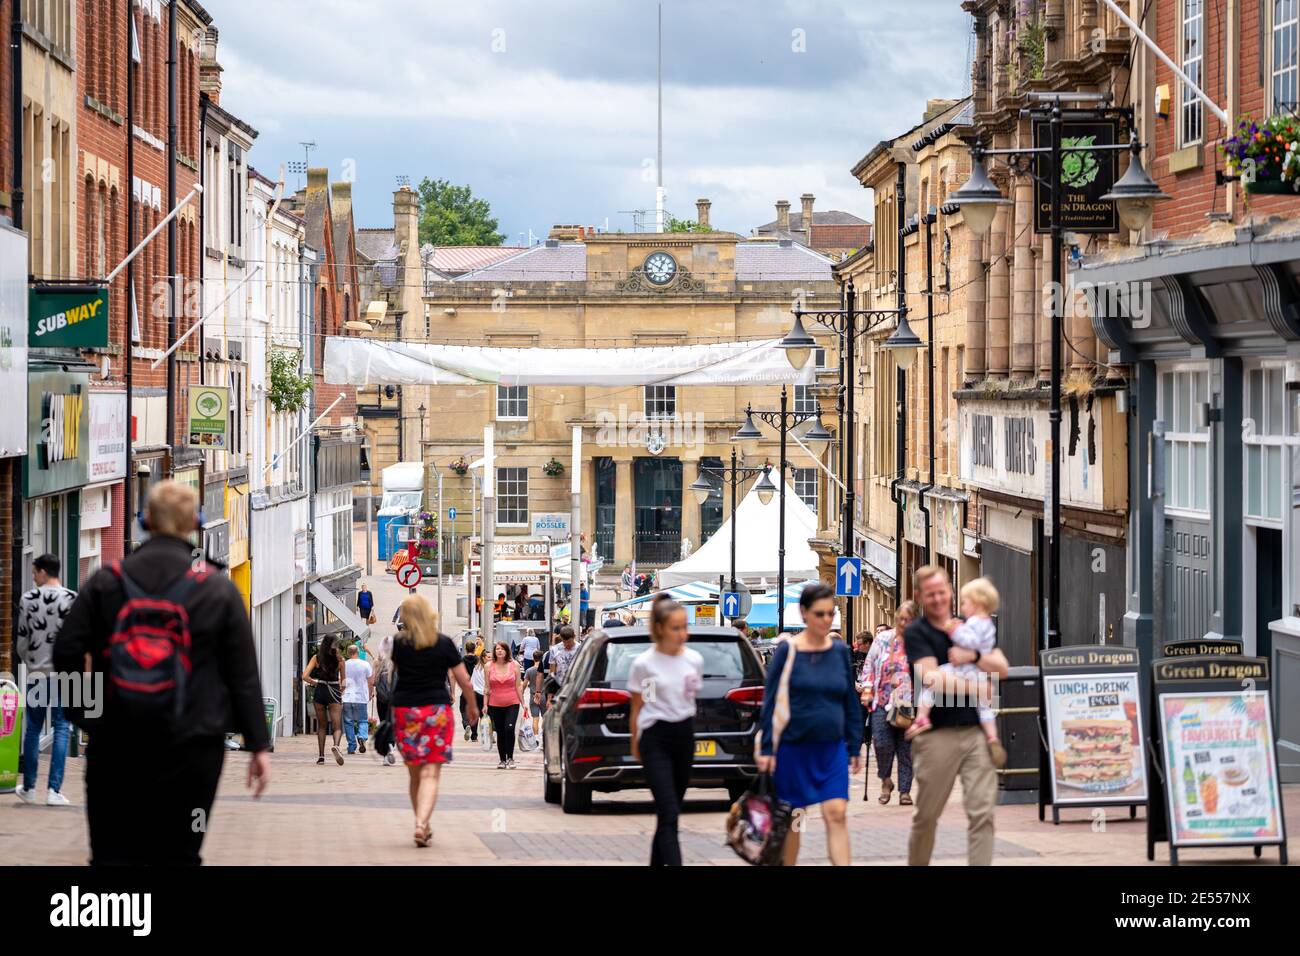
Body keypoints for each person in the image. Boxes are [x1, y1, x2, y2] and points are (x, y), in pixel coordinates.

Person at [53, 480, 270, 865]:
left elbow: (66, 650)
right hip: (194, 748)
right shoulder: (217, 591)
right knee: (182, 850)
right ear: (194, 523)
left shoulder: (106, 582)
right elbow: (243, 673)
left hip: (116, 742)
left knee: (111, 852)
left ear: (146, 520)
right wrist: (257, 744)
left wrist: (83, 715)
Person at [904, 565, 1008, 867]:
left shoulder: (971, 624)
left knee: (982, 813)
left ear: (951, 589)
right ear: (919, 596)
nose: (938, 599)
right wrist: (979, 687)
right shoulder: (917, 632)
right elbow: (931, 678)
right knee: (927, 815)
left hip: (976, 732)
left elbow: (1001, 666)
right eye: (930, 593)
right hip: (937, 734)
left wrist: (975, 657)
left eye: (942, 591)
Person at [756, 582, 862, 866]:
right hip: (794, 749)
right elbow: (771, 702)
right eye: (820, 614)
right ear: (804, 613)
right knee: (795, 818)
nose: (826, 620)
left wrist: (855, 746)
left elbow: (849, 699)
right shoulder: (787, 652)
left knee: (836, 812)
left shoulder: (839, 652)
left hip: (831, 749)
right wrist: (767, 749)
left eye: (830, 614)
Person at [390, 594, 476, 847]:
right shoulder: (443, 643)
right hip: (435, 712)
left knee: (415, 774)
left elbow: (393, 674)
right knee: (431, 773)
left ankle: (422, 823)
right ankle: (420, 824)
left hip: (405, 712)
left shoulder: (399, 645)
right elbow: (464, 680)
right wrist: (472, 706)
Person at [628, 594, 703, 867]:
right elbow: (639, 706)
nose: (683, 633)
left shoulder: (694, 660)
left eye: (685, 626)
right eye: (676, 627)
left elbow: (690, 699)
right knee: (670, 811)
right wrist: (635, 741)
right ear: (659, 628)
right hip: (655, 738)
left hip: (684, 736)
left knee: (667, 814)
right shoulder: (645, 664)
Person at [906, 578, 1006, 768]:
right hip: (978, 673)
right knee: (984, 708)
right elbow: (991, 653)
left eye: (965, 602)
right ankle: (992, 736)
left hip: (964, 671)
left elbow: (968, 641)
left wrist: (953, 630)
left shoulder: (973, 623)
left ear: (976, 603)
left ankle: (921, 717)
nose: (962, 606)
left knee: (930, 682)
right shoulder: (989, 624)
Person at [14, 554, 77, 806]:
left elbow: (21, 641)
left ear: (42, 572)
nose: (32, 576)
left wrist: (30, 662)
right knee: (63, 729)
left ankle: (29, 788)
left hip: (37, 674)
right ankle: (54, 791)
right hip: (66, 674)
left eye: (34, 572)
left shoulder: (28, 599)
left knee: (33, 729)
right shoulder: (73, 598)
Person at [859, 604, 918, 806]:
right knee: (882, 744)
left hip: (908, 703)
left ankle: (905, 791)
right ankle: (886, 781)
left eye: (909, 619)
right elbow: (869, 667)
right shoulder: (882, 639)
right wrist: (867, 690)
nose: (904, 623)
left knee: (906, 748)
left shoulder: (918, 643)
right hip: (881, 702)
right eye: (901, 618)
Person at [303, 634, 346, 765]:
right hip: (334, 692)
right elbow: (344, 681)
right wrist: (341, 690)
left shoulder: (317, 658)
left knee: (321, 726)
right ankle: (336, 746)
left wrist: (315, 683)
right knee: (337, 726)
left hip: (320, 691)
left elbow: (304, 676)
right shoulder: (340, 660)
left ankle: (321, 757)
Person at [484, 641, 525, 769]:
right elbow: (487, 687)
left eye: (502, 649)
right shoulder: (488, 666)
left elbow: (518, 685)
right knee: (500, 732)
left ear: (507, 651)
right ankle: (502, 759)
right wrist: (485, 704)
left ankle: (510, 758)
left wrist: (523, 703)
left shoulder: (515, 665)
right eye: (497, 649)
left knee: (509, 728)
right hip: (495, 703)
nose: (500, 651)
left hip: (512, 702)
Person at [341, 644, 374, 755]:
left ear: (348, 653)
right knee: (363, 720)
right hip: (361, 697)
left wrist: (340, 695)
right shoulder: (365, 664)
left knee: (348, 722)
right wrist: (370, 693)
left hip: (347, 697)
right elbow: (370, 681)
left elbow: (341, 681)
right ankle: (362, 736)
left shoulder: (344, 664)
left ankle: (351, 746)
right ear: (358, 652)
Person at [460, 640, 483, 741]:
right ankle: (474, 736)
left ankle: (466, 724)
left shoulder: (462, 660)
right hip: (477, 688)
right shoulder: (477, 660)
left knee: (463, 708)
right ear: (474, 649)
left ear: (466, 649)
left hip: (466, 687)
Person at [524, 650, 546, 735]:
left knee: (535, 719)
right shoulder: (545, 670)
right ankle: (544, 737)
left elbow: (524, 685)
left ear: (533, 658)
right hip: (544, 696)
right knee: (545, 718)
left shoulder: (529, 670)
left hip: (533, 697)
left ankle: (536, 738)